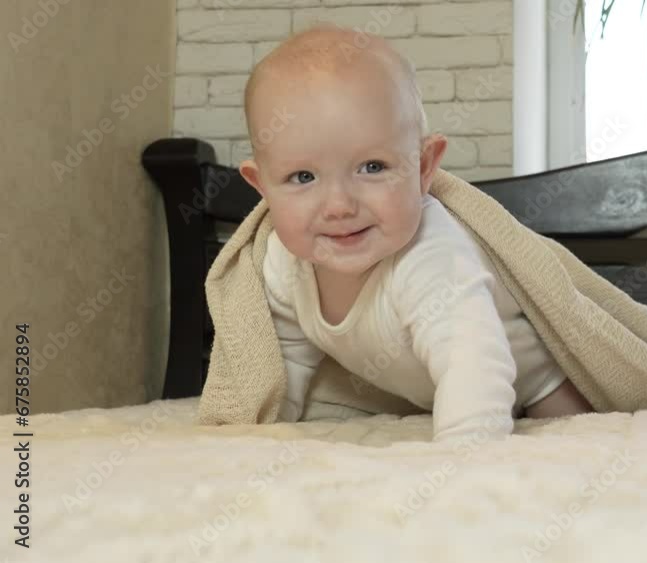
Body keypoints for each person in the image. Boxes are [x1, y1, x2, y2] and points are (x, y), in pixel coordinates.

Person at [237, 25, 594, 444]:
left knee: (579, 441)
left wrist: (460, 460)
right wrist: (262, 439)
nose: (339, 206)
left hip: (536, 379)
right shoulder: (284, 262)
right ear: (262, 188)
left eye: (372, 167)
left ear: (424, 168)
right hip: (427, 390)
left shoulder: (429, 253)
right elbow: (287, 362)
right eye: (303, 176)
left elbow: (472, 361)